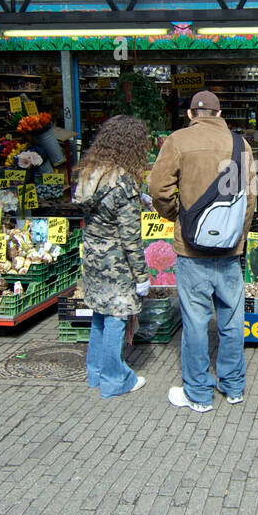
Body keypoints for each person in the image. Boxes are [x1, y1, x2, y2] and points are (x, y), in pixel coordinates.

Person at [148, 91, 256, 413]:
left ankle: (198, 393)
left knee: (195, 322)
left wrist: (177, 216)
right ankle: (233, 386)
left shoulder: (177, 141)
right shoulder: (241, 145)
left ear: (191, 115)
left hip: (192, 251)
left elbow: (157, 188)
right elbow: (250, 198)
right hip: (229, 253)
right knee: (232, 319)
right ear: (219, 112)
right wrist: (237, 236)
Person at [73, 114, 152, 399]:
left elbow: (102, 207)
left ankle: (95, 372)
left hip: (93, 255)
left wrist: (138, 197)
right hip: (116, 262)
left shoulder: (91, 172)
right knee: (117, 318)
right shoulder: (124, 183)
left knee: (99, 314)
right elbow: (131, 238)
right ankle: (115, 379)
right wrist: (142, 277)